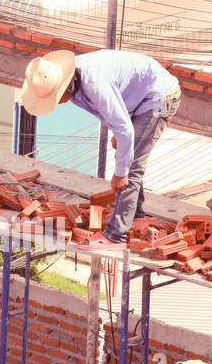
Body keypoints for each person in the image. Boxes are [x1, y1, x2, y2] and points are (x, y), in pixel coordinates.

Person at [18, 49, 180, 251]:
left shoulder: (94, 84)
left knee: (131, 166)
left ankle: (115, 235)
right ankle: (135, 215)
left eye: (55, 98)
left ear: (64, 89)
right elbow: (108, 112)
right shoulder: (74, 82)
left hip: (160, 98)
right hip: (139, 98)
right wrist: (117, 131)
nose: (56, 103)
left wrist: (120, 174)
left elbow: (126, 131)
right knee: (127, 152)